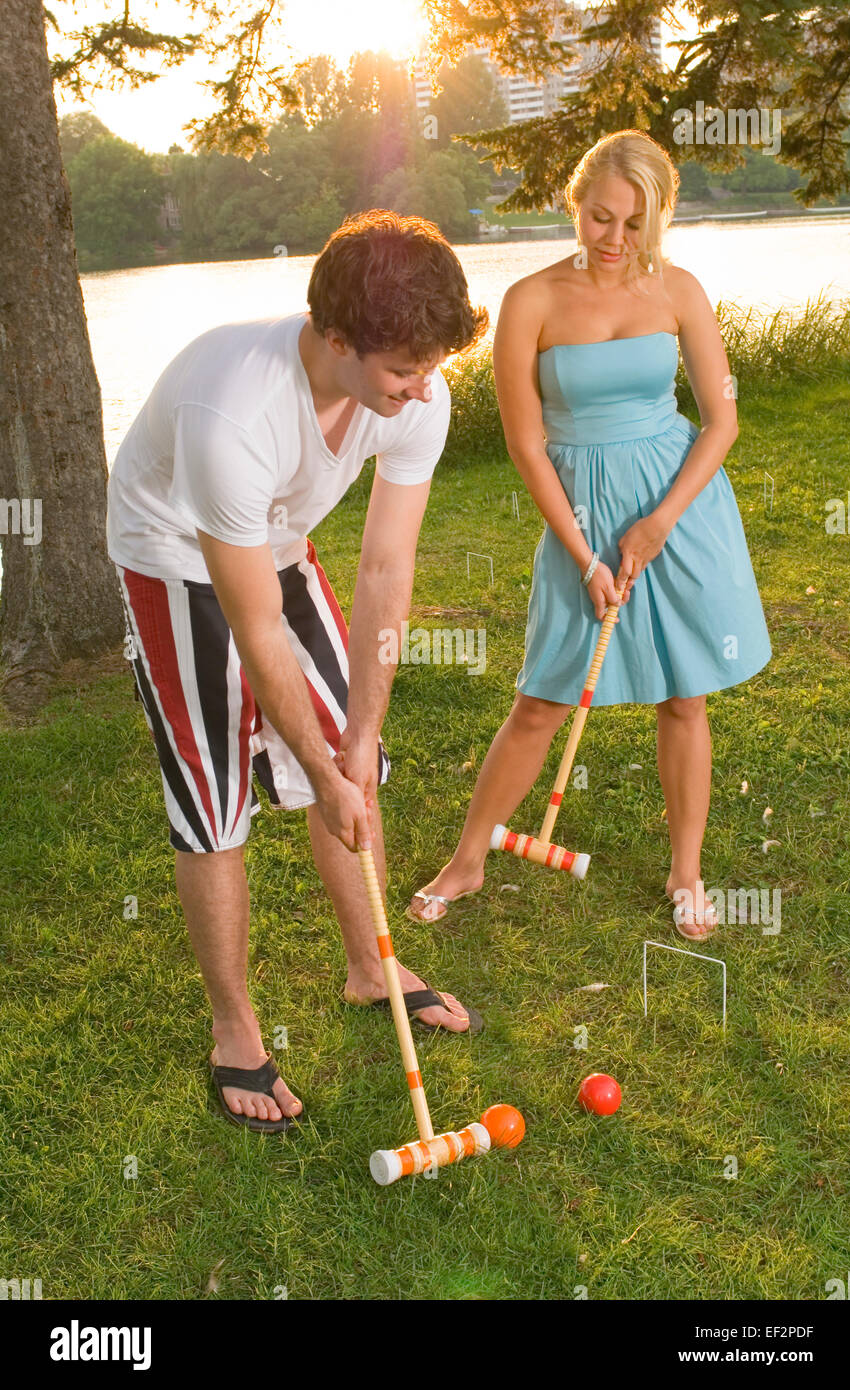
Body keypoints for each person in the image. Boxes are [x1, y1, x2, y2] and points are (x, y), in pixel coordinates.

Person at [107, 210, 488, 1132]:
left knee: (359, 762)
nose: (420, 389)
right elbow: (253, 623)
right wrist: (316, 765)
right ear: (336, 339)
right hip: (173, 554)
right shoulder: (232, 409)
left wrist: (356, 736)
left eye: (432, 366)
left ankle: (371, 966)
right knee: (212, 796)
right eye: (403, 370)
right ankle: (234, 1031)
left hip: (272, 541)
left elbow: (385, 567)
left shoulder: (417, 393)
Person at [408, 130, 771, 941]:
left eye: (633, 224)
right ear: (573, 203)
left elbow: (720, 420)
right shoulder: (530, 300)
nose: (614, 240)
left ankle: (685, 874)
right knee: (540, 699)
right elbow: (525, 444)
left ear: (657, 220)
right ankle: (467, 860)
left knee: (685, 696)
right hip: (581, 512)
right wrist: (582, 552)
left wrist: (660, 520)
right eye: (600, 217)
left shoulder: (679, 289)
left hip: (677, 504)